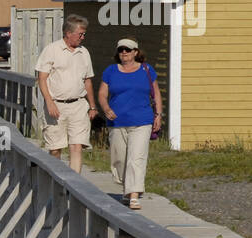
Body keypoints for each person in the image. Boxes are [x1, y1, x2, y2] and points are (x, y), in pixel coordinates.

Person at [98, 38, 162, 209]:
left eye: (127, 49)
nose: (124, 52)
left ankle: (134, 195)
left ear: (135, 52)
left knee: (136, 157)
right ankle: (127, 189)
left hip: (142, 120)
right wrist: (105, 108)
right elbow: (102, 94)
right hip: (117, 121)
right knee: (119, 160)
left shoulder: (146, 70)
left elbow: (156, 93)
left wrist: (158, 115)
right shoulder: (111, 71)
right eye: (121, 50)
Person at [35, 14, 98, 173]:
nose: (82, 37)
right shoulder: (52, 50)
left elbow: (88, 81)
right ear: (68, 33)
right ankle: (55, 182)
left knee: (77, 146)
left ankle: (73, 187)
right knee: (55, 148)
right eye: (80, 34)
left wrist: (92, 106)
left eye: (84, 34)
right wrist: (49, 102)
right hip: (56, 105)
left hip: (78, 105)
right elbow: (42, 78)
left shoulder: (84, 53)